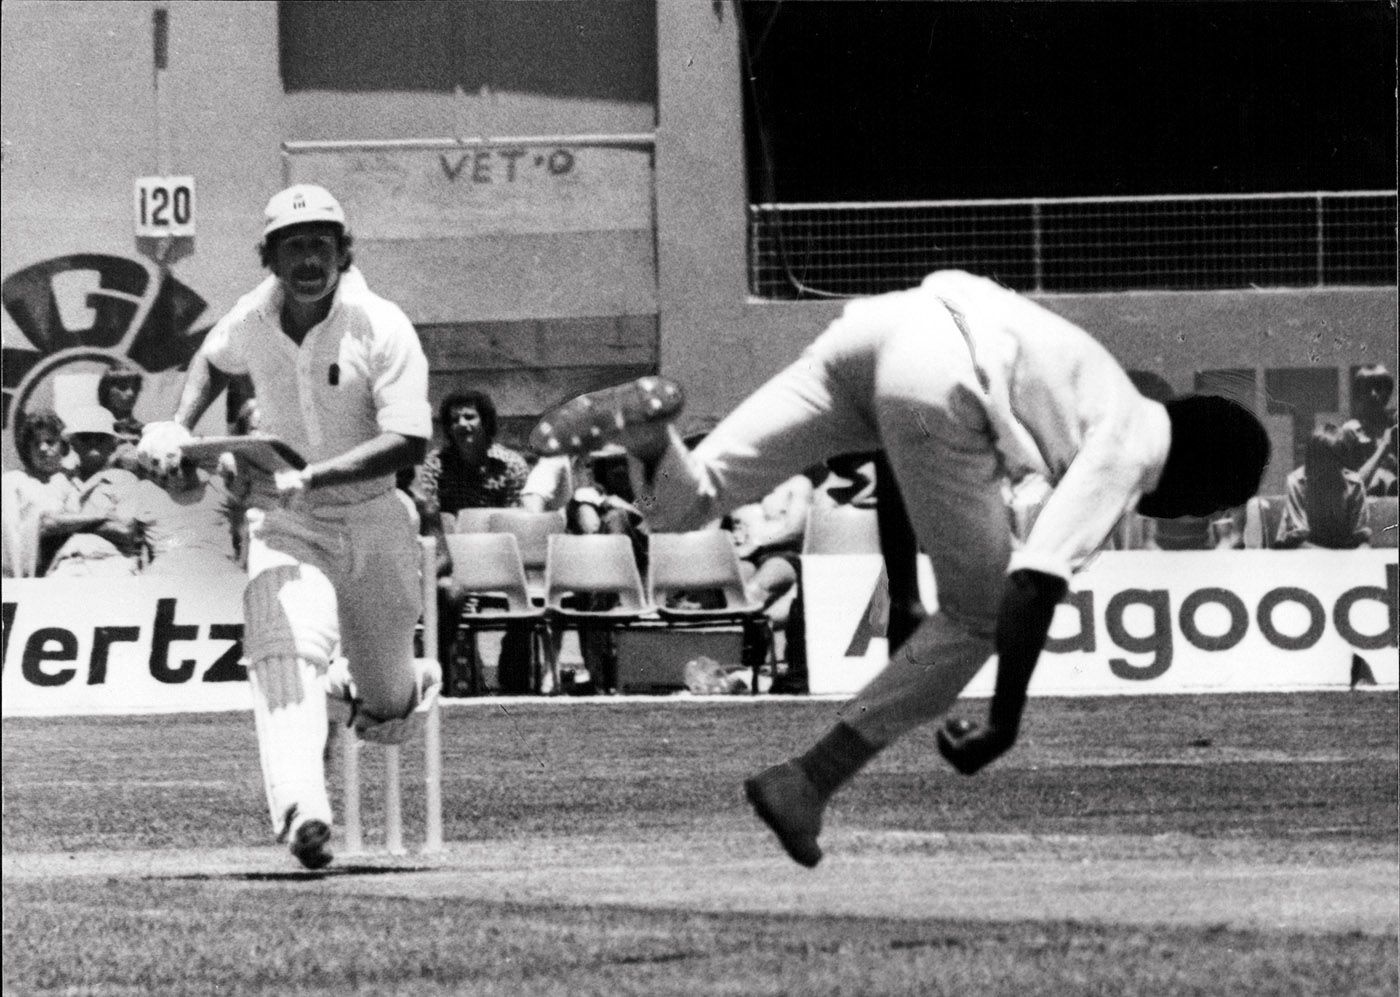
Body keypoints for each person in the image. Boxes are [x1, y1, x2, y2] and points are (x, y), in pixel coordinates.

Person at [530, 270, 1271, 868]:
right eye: (1209, 504)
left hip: (882, 328)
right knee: (982, 615)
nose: (1192, 514)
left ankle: (651, 434)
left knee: (684, 506)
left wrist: (907, 589)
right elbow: (1034, 584)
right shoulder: (1133, 444)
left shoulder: (1094, 386)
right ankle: (808, 779)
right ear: (1205, 479)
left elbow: (899, 441)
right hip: (947, 375)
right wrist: (1003, 722)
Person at [136, 183, 439, 870]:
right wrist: (177, 426)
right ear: (269, 256)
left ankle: (371, 687)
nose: (308, 260)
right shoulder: (253, 315)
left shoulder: (381, 324)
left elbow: (410, 439)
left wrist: (318, 475)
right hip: (288, 517)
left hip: (374, 517)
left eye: (321, 245)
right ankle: (303, 809)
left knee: (387, 705)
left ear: (343, 251)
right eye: (293, 246)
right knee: (281, 643)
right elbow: (212, 359)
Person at [42, 406, 145, 577]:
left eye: (101, 437)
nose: (93, 442)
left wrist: (69, 522)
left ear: (112, 443)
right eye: (85, 437)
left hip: (112, 564)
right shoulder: (60, 480)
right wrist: (101, 516)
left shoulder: (125, 480)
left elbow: (125, 530)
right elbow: (47, 523)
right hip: (67, 564)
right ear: (73, 443)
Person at [1, 409, 79, 577]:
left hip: (59, 572)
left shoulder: (70, 486)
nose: (43, 448)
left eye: (50, 442)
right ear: (27, 449)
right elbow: (10, 530)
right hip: (18, 575)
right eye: (36, 443)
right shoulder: (13, 481)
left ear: (62, 446)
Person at [1275, 423, 1371, 549]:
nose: (1328, 469)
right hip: (1304, 551)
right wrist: (1333, 558)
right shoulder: (1297, 482)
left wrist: (1362, 553)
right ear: (1312, 459)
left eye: (1335, 461)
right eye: (1323, 461)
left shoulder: (1354, 484)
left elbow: (1360, 536)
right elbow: (1297, 539)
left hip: (1343, 552)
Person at [1340, 364, 1398, 497]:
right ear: (1359, 395)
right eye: (1367, 389)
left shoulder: (1395, 427)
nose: (1373, 394)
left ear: (1388, 393)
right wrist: (1383, 448)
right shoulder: (1351, 432)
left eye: (1378, 388)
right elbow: (1351, 487)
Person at [97, 362, 145, 446]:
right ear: (106, 390)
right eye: (123, 387)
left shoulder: (145, 432)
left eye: (135, 388)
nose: (131, 393)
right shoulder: (93, 429)